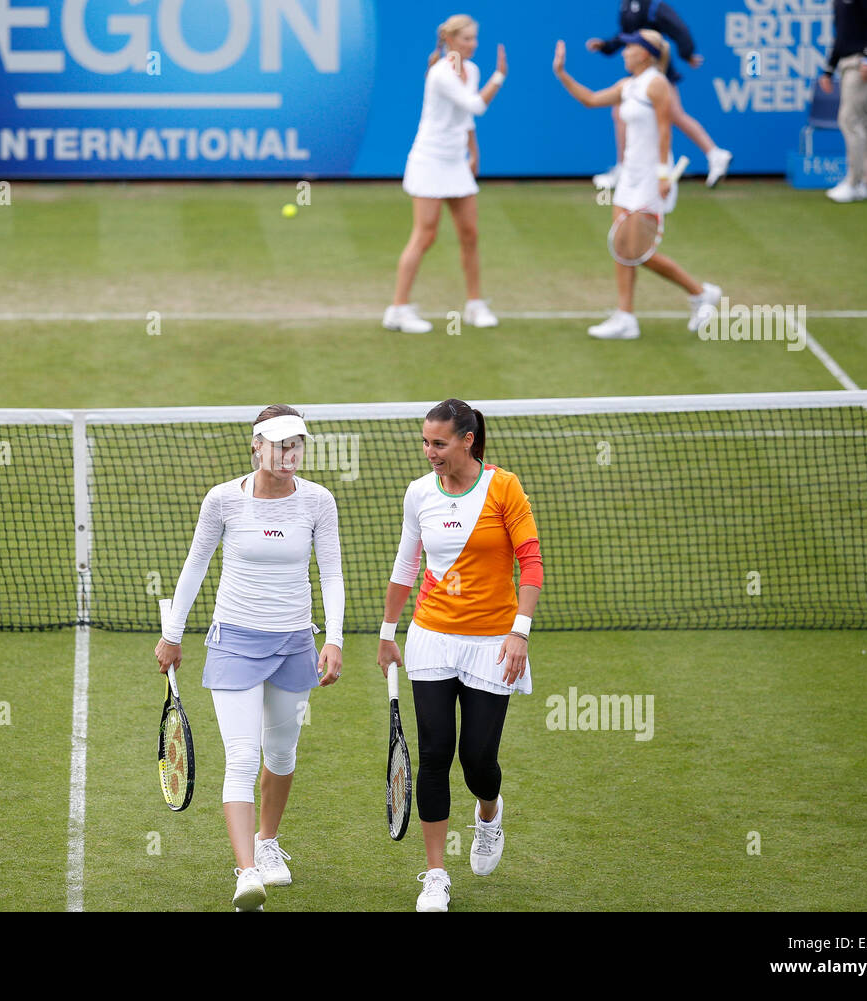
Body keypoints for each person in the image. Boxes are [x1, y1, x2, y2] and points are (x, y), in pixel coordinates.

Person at [155, 405, 343, 912]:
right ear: (256, 447)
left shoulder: (319, 502)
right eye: (278, 445)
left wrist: (336, 639)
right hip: (234, 642)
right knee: (241, 756)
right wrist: (172, 634)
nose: (288, 454)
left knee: (281, 755)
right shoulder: (222, 501)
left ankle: (267, 840)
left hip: (295, 644)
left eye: (296, 444)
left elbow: (332, 575)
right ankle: (246, 873)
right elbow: (196, 565)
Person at [377, 399, 543, 912]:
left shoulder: (504, 487)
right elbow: (407, 564)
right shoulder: (419, 493)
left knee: (477, 760)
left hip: (493, 642)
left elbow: (530, 562)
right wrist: (388, 631)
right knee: (433, 756)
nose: (430, 452)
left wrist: (520, 632)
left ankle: (489, 814)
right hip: (432, 636)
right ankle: (434, 876)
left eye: (439, 443)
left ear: (468, 440)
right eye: (426, 442)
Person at [554, 33, 722, 341]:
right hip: (630, 176)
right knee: (622, 248)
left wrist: (662, 175)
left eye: (630, 48)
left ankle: (701, 293)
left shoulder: (657, 84)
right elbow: (590, 99)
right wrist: (562, 73)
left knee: (639, 251)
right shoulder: (628, 85)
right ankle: (625, 317)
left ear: (645, 55)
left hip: (650, 178)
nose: (625, 52)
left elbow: (664, 130)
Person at [384, 14, 508, 334]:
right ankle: (397, 309)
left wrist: (474, 153)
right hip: (429, 160)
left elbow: (466, 117)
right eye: (467, 39)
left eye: (475, 38)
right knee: (425, 235)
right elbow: (475, 105)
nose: (473, 44)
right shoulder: (440, 73)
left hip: (456, 162)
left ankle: (475, 304)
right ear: (451, 40)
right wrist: (499, 77)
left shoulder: (473, 69)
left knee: (470, 234)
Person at [586, 1, 732, 188]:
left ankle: (624, 168)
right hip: (640, 68)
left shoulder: (653, 5)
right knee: (667, 114)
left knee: (662, 114)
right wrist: (606, 46)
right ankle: (715, 153)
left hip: (654, 68)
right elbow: (626, 36)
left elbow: (678, 28)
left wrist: (687, 53)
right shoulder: (626, 5)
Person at [821, 0, 867, 203]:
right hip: (847, 63)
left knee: (849, 119)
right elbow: (841, 35)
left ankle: (854, 182)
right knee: (865, 120)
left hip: (862, 63)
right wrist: (829, 69)